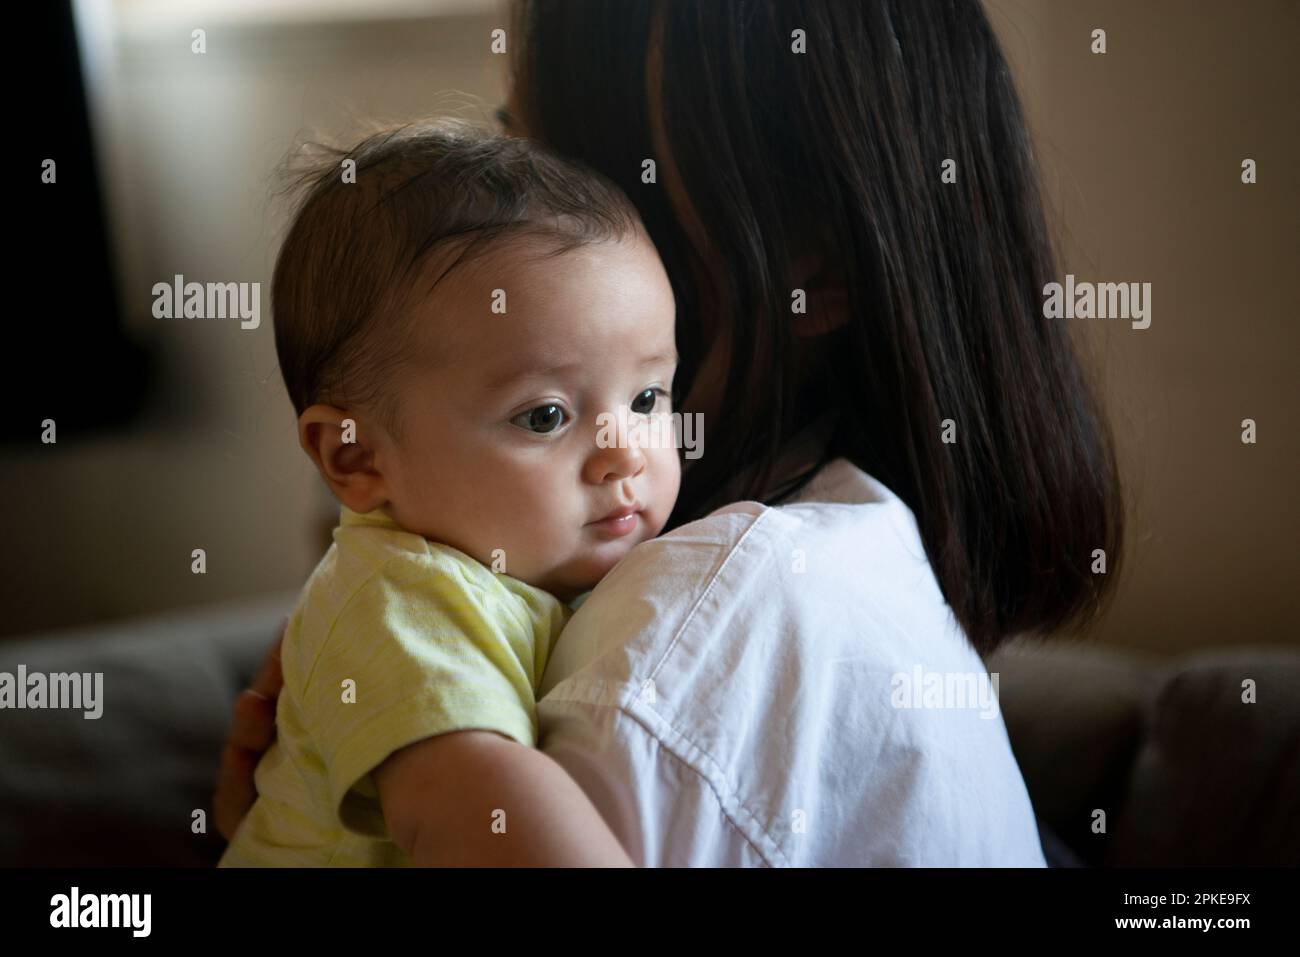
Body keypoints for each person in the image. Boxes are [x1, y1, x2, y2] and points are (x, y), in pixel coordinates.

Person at [215, 0, 1125, 866]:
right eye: (543, 415)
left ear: (813, 265)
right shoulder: (861, 523)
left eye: (574, 173)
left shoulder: (697, 628)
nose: (510, 217)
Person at [220, 120, 680, 866]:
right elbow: (486, 805)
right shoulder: (399, 603)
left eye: (648, 397)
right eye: (546, 415)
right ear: (357, 456)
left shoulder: (529, 563)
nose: (625, 451)